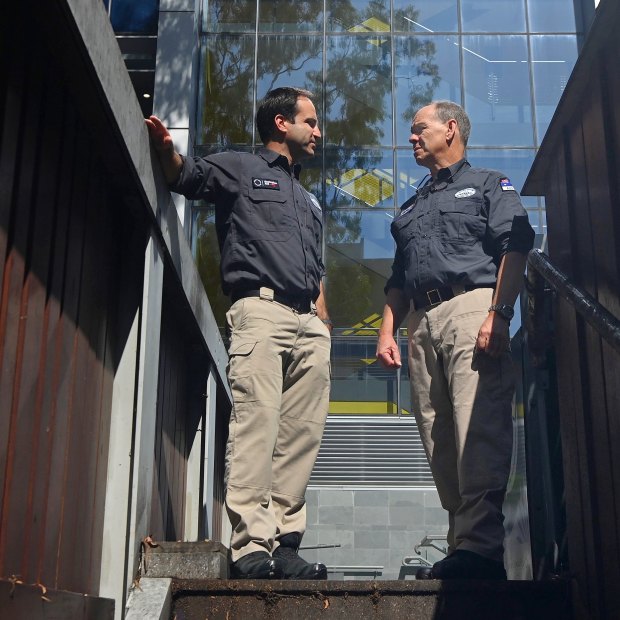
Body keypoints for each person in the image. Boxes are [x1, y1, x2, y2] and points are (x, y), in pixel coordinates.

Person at [146, 87, 332, 580]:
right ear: (280, 124)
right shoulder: (240, 168)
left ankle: (286, 543)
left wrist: (322, 319)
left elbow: (317, 267)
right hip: (261, 313)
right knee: (257, 427)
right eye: (310, 122)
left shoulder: (309, 197)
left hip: (309, 325)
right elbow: (185, 175)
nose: (318, 131)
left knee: (300, 438)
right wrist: (167, 151)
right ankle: (251, 545)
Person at [376, 101, 534, 580]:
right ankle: (463, 544)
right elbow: (400, 276)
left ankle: (481, 550)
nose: (412, 138)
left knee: (476, 428)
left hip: (473, 308)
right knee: (439, 438)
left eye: (419, 129)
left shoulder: (487, 183)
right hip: (420, 323)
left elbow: (517, 242)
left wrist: (499, 314)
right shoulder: (412, 203)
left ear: (450, 129)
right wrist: (387, 329)